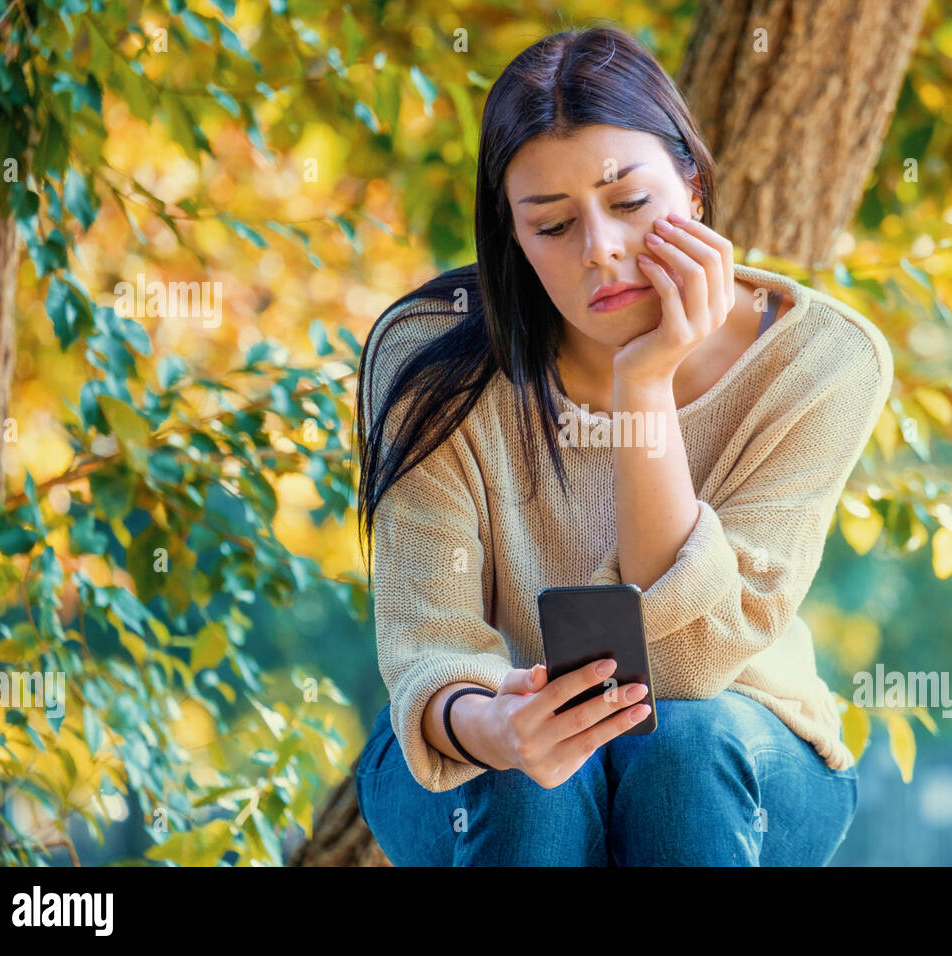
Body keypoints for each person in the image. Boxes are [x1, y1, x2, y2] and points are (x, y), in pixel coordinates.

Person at [352, 24, 892, 866]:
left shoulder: (822, 361)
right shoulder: (430, 357)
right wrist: (500, 725)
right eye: (552, 225)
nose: (601, 251)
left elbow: (691, 661)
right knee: (535, 781)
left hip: (738, 750)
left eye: (630, 203)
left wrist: (642, 387)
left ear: (695, 187)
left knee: (681, 746)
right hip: (484, 754)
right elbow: (429, 642)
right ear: (511, 239)